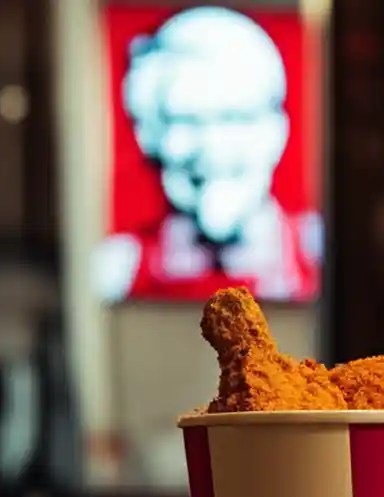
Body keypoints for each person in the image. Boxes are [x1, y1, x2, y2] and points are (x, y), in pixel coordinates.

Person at [97, 6, 322, 302]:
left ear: (277, 130)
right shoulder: (115, 270)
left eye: (235, 117)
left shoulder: (319, 250)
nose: (214, 147)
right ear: (149, 135)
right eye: (187, 120)